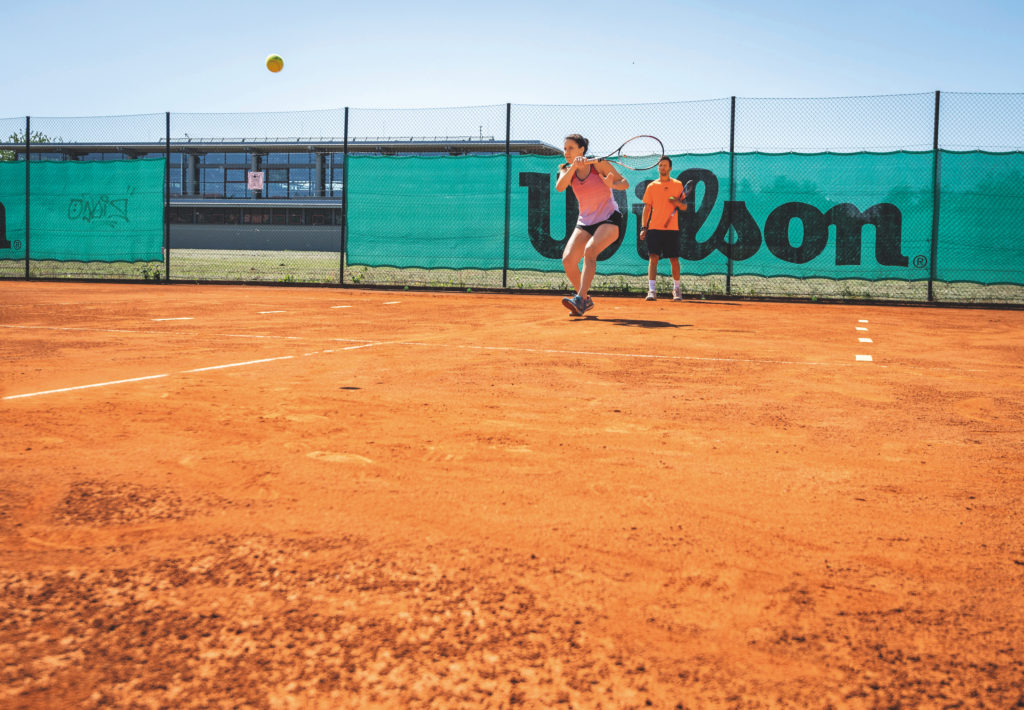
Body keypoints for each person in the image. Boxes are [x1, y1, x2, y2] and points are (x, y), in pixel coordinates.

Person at [555, 133, 629, 315]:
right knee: (568, 259)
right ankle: (585, 300)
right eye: (565, 149)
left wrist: (612, 183)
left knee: (590, 250)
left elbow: (624, 183)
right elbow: (559, 186)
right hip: (586, 222)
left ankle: (579, 298)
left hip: (609, 219)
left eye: (571, 148)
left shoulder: (597, 164)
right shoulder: (566, 169)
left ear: (582, 149)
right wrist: (573, 168)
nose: (567, 152)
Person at [639, 157, 688, 301]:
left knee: (674, 259)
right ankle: (652, 291)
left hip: (672, 229)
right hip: (654, 228)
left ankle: (677, 289)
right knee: (653, 258)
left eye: (665, 165)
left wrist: (677, 201)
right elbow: (647, 208)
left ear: (670, 168)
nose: (662, 168)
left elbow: (684, 206)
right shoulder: (652, 186)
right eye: (660, 165)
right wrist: (644, 227)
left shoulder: (678, 185)